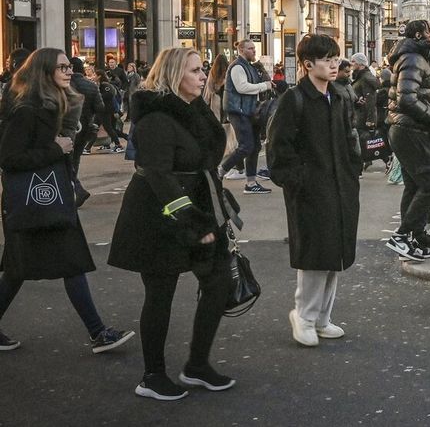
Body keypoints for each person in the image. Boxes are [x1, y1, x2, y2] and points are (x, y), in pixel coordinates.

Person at [108, 47, 231, 400]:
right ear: (175, 74)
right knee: (160, 294)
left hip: (198, 207)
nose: (203, 75)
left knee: (219, 280)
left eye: (202, 69)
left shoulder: (196, 110)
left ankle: (197, 364)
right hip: (159, 215)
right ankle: (152, 375)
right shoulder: (157, 118)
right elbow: (158, 176)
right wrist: (192, 219)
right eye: (194, 70)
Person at [0, 49, 134, 355]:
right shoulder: (26, 110)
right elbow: (8, 158)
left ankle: (99, 332)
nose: (69, 72)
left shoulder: (50, 104)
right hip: (36, 201)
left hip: (48, 199)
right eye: (62, 67)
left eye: (69, 67)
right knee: (67, 263)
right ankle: (98, 332)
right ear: (44, 72)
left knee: (19, 269)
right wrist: (55, 148)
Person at [266, 34, 362, 348]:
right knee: (315, 256)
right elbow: (278, 151)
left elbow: (349, 137)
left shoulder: (339, 95)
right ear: (308, 65)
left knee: (335, 255)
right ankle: (304, 317)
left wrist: (351, 171)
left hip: (339, 185)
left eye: (335, 57)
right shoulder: (294, 100)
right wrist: (300, 181)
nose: (334, 64)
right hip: (311, 189)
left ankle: (321, 317)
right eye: (326, 59)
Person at [384, 20, 430, 260]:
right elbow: (407, 98)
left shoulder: (410, 56)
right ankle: (402, 235)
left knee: (414, 185)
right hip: (410, 129)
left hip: (403, 128)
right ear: (419, 35)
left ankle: (412, 237)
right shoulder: (413, 59)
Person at [218, 40, 274, 194]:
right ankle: (220, 171)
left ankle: (251, 182)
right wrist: (265, 86)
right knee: (246, 146)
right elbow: (242, 87)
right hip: (239, 110)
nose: (254, 51)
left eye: (254, 48)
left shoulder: (248, 66)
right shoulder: (237, 66)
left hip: (249, 111)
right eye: (250, 48)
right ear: (241, 50)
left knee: (254, 146)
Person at [69, 57, 103, 171]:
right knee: (76, 157)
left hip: (66, 128)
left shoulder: (64, 84)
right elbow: (100, 107)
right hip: (85, 125)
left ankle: (69, 182)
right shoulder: (91, 85)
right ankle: (73, 181)